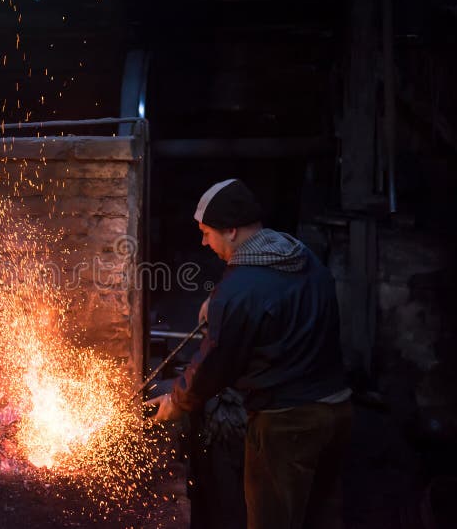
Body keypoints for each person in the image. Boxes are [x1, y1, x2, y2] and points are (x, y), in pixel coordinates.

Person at [147, 178, 352, 529]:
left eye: (206, 232)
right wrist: (218, 302)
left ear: (230, 230)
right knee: (319, 515)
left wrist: (176, 400)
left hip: (287, 425)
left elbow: (214, 367)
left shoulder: (239, 291)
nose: (202, 241)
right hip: (338, 410)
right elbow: (273, 299)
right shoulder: (298, 255)